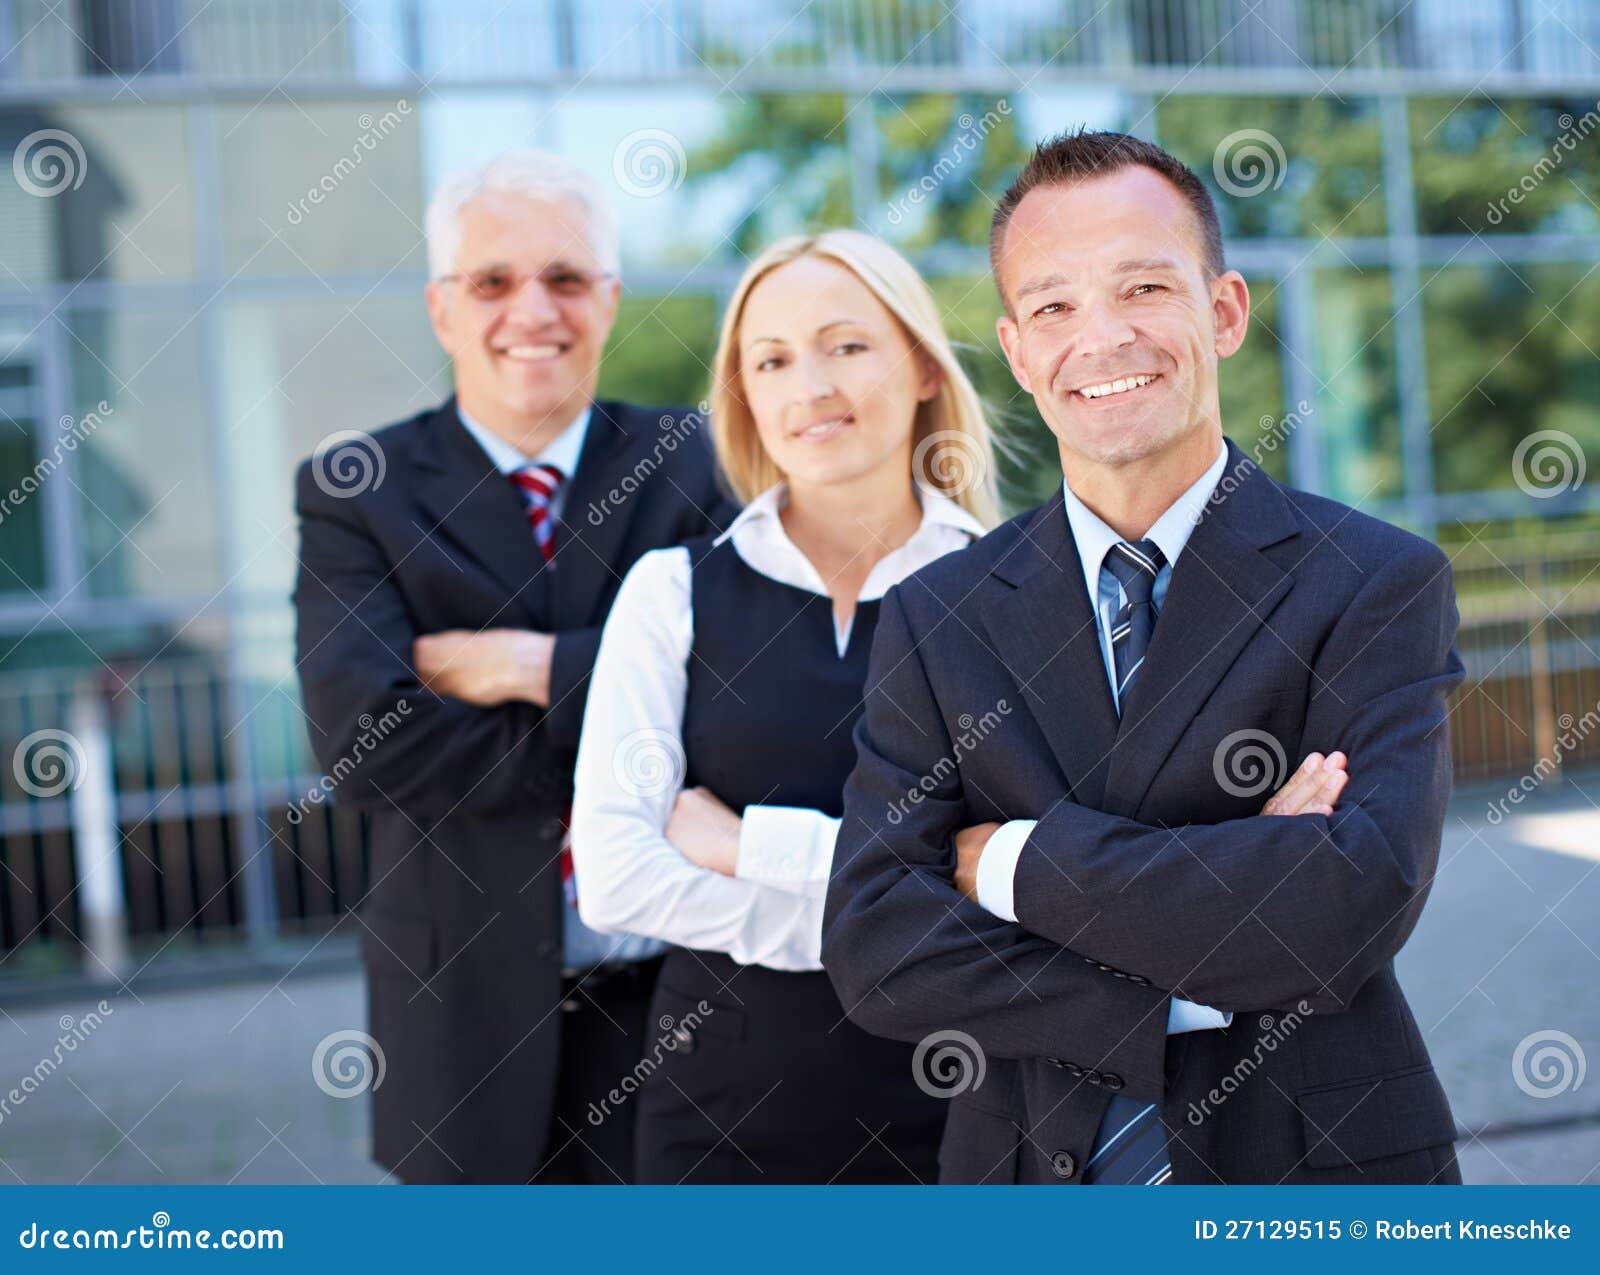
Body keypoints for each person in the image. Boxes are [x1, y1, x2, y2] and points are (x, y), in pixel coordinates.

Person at [823, 129, 1465, 1185]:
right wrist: (1203, 946)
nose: (1102, 337)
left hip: (1315, 1171)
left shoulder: (1371, 580)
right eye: (1053, 307)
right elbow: (880, 947)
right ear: (1019, 352)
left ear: (1223, 313)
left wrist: (1011, 865)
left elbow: (1347, 904)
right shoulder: (938, 615)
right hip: (1033, 1178)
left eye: (1143, 288)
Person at [292, 150, 733, 1184]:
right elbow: (362, 742)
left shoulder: (700, 462)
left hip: (687, 1002)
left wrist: (530, 665)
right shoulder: (359, 491)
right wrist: (634, 715)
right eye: (493, 282)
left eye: (566, 279)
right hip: (464, 1023)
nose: (532, 310)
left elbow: (750, 701)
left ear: (610, 300)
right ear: (445, 310)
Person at [570, 229, 997, 1183]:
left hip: (965, 1111)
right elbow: (614, 878)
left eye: (847, 344)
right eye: (772, 360)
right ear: (747, 397)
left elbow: (1021, 880)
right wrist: (890, 911)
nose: (811, 385)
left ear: (924, 364)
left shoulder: (1011, 590)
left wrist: (744, 847)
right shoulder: (671, 590)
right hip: (717, 1120)